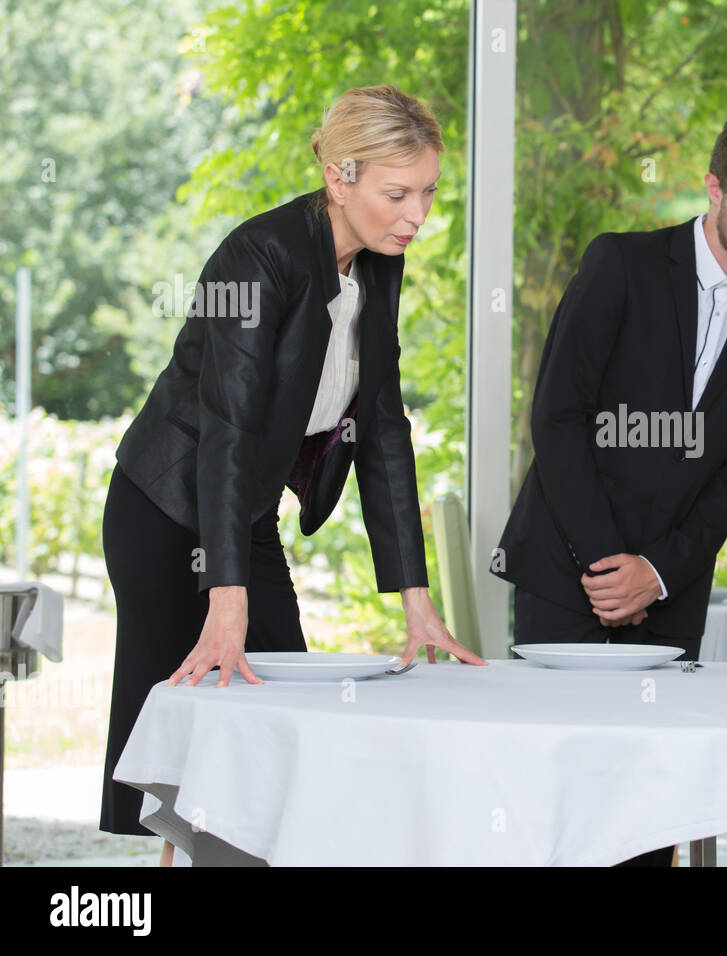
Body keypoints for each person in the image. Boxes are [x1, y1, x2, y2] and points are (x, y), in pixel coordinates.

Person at [100, 85, 485, 863]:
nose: (419, 215)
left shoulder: (379, 264)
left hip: (239, 515)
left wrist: (418, 603)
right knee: (185, 742)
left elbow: (380, 429)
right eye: (397, 193)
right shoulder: (261, 254)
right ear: (340, 177)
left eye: (430, 192)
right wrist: (224, 596)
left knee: (278, 719)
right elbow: (230, 433)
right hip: (166, 509)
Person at [492, 100, 727, 866]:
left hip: (671, 590)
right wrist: (611, 566)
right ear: (713, 187)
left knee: (650, 811)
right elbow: (558, 418)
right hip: (566, 569)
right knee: (559, 801)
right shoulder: (621, 264)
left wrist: (661, 572)